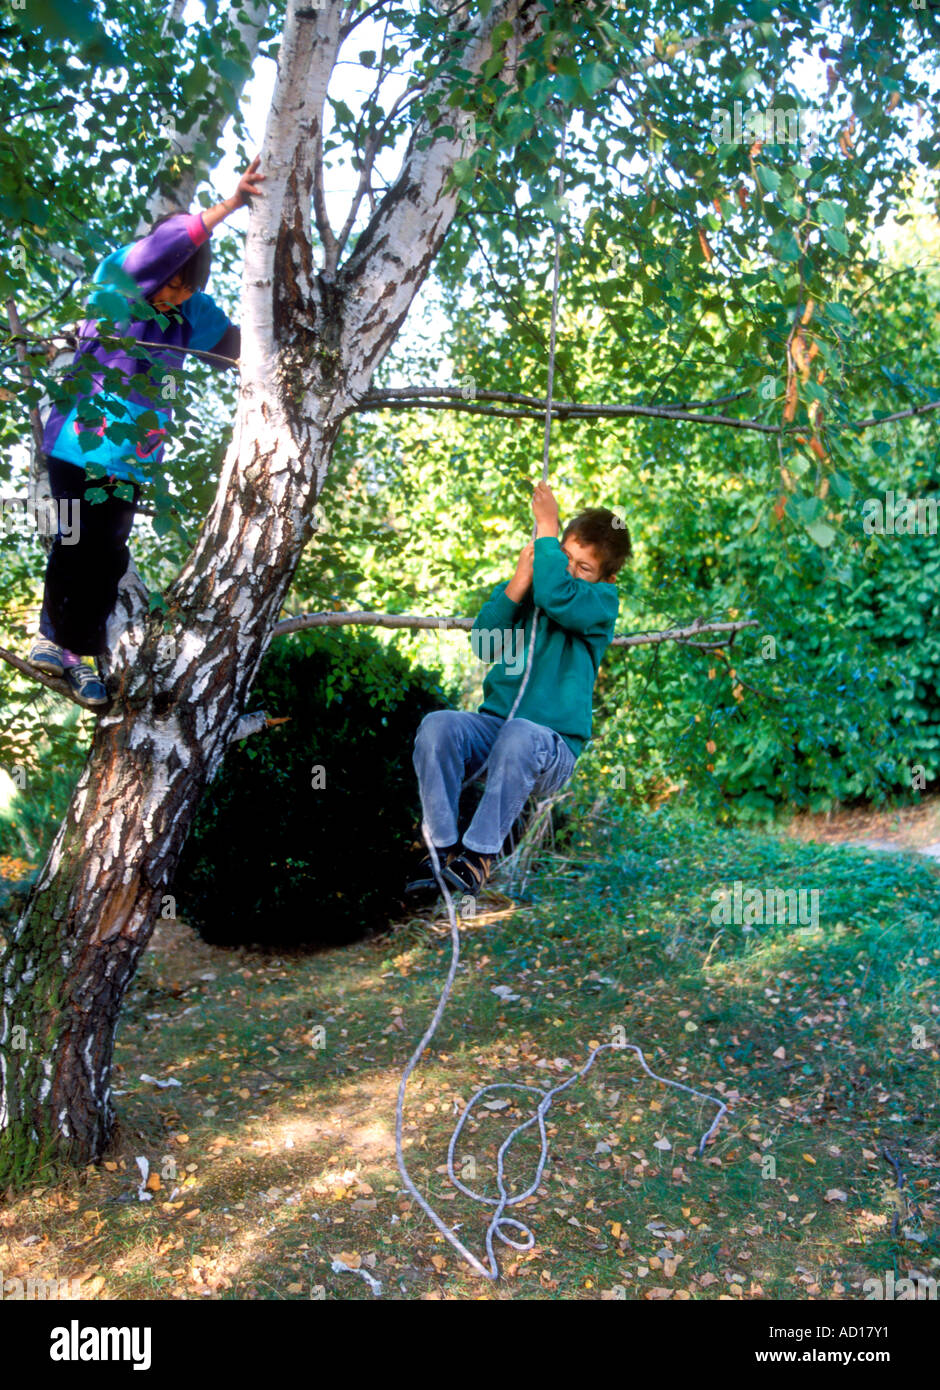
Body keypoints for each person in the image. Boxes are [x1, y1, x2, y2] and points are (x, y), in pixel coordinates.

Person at [27, 156, 265, 706]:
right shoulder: (122, 278)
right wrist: (229, 206)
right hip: (79, 442)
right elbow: (159, 253)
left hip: (132, 457)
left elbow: (235, 347)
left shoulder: (190, 314)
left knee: (108, 554)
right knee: (77, 539)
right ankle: (53, 640)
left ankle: (74, 655)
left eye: (187, 289)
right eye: (174, 285)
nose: (176, 296)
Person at [407, 480, 632, 900]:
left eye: (583, 567)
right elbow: (484, 645)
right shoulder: (531, 592)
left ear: (607, 578)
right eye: (564, 556)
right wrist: (517, 582)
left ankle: (479, 857)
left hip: (549, 748)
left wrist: (546, 525)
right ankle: (440, 849)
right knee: (437, 726)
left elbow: (558, 595)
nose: (568, 569)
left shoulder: (600, 604)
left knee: (521, 734)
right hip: (497, 731)